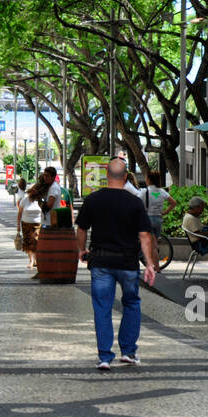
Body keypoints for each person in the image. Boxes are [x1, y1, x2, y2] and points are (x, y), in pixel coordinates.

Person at [76, 158, 157, 371]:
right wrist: (149, 264)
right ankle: (129, 352)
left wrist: (81, 250)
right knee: (131, 303)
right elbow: (145, 236)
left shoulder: (93, 199)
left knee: (102, 307)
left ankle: (104, 357)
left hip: (101, 261)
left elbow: (82, 228)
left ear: (107, 175)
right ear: (125, 176)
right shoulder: (135, 202)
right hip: (128, 262)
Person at [17, 184, 43, 269]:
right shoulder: (24, 200)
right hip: (26, 224)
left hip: (37, 225)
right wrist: (18, 226)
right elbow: (19, 213)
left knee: (35, 242)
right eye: (31, 192)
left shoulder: (40, 200)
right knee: (28, 243)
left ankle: (35, 260)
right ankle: (31, 260)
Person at [143, 171, 175, 237]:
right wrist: (165, 212)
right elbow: (173, 203)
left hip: (148, 219)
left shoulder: (144, 191)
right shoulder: (162, 191)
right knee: (155, 241)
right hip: (158, 219)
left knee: (148, 241)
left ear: (149, 180)